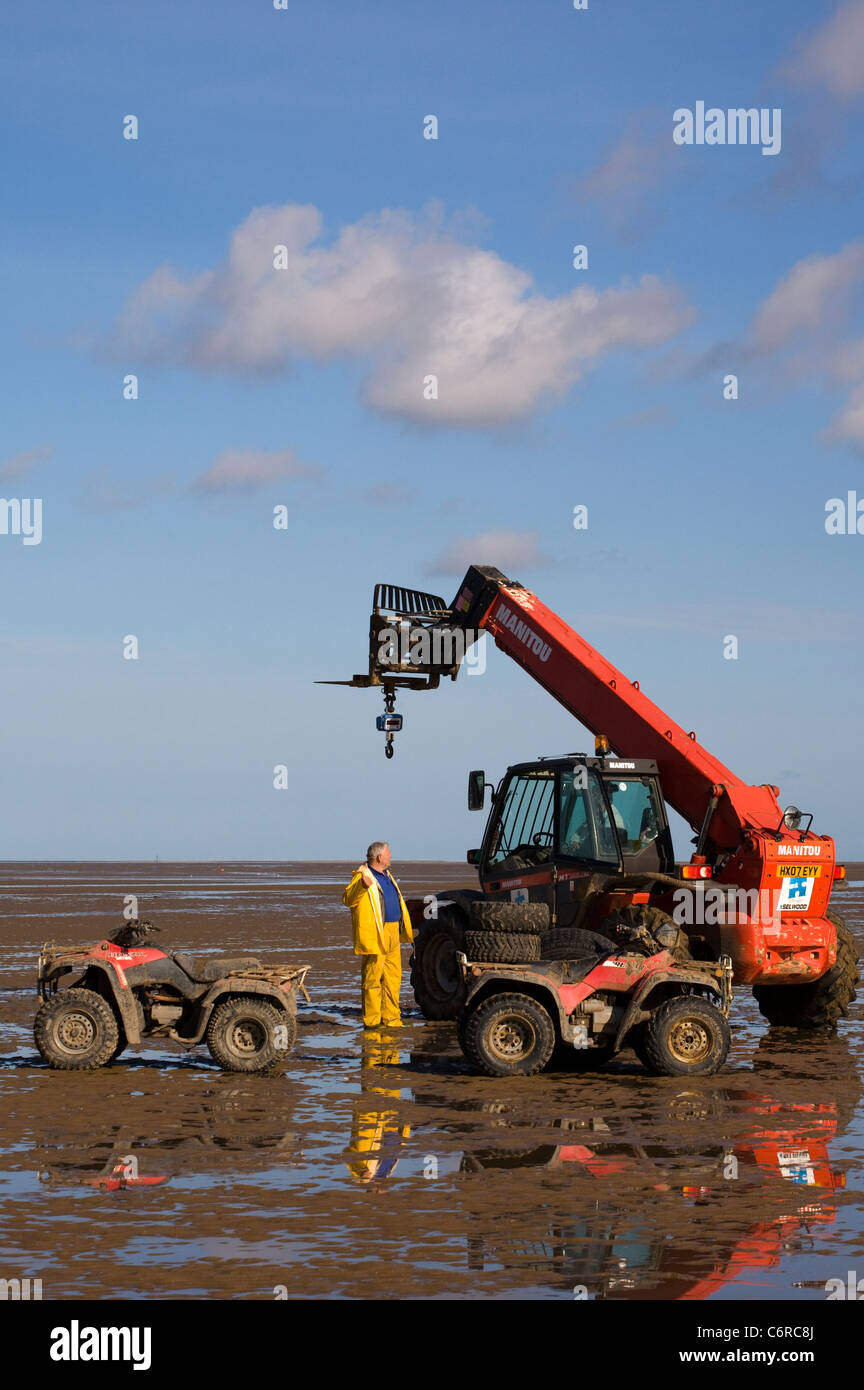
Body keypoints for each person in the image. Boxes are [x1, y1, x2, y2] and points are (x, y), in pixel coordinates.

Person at [342, 842, 413, 1029]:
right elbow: (348, 900)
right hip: (376, 934)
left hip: (392, 932)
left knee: (393, 977)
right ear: (379, 857)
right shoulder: (362, 876)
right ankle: (372, 1021)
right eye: (388, 853)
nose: (391, 856)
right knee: (373, 978)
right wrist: (362, 886)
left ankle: (391, 1019)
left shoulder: (387, 875)